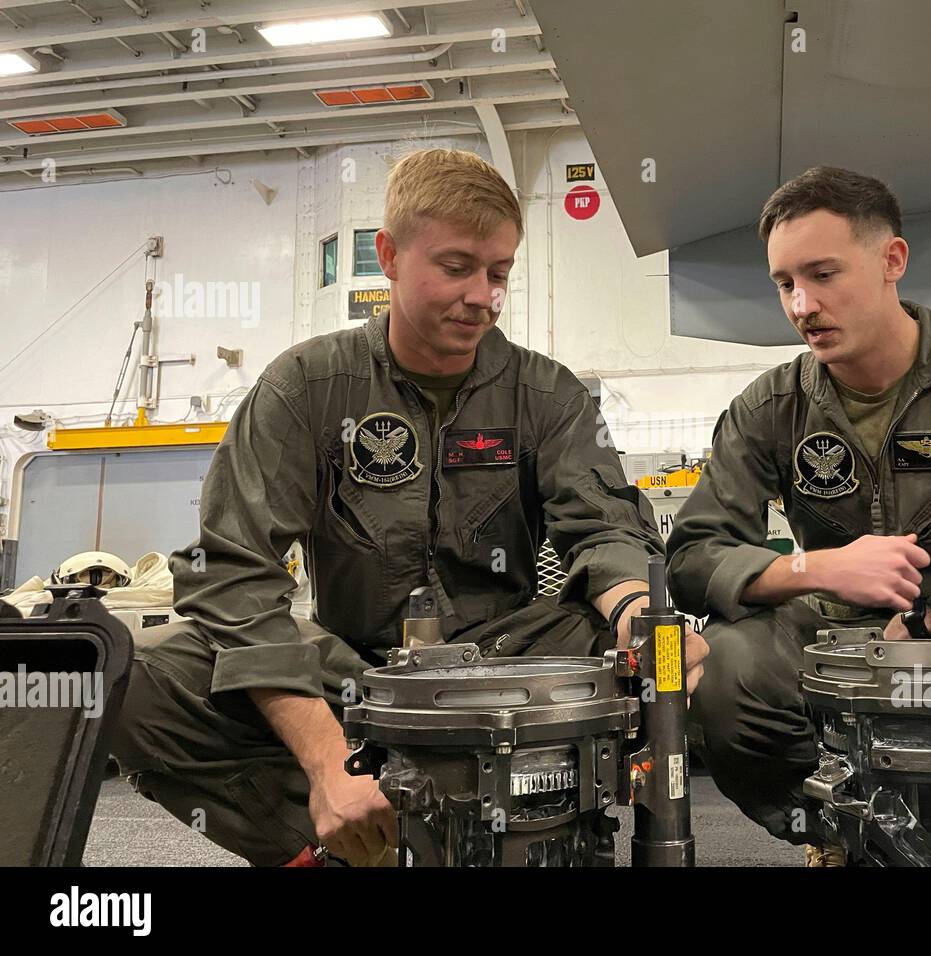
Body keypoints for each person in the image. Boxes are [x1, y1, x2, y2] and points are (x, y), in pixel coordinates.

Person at [110, 147, 706, 866]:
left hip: (509, 660)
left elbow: (604, 526)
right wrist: (328, 760)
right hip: (353, 669)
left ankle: (544, 830)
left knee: (703, 663)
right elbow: (232, 574)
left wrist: (639, 614)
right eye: (457, 268)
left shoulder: (548, 397)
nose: (483, 295)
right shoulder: (304, 389)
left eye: (499, 272)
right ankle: (333, 836)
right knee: (126, 675)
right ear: (388, 256)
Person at [666, 165, 931, 863]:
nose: (802, 304)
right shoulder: (769, 407)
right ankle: (837, 831)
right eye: (784, 284)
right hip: (837, 637)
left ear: (892, 260)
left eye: (823, 274)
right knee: (724, 666)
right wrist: (813, 568)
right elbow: (692, 555)